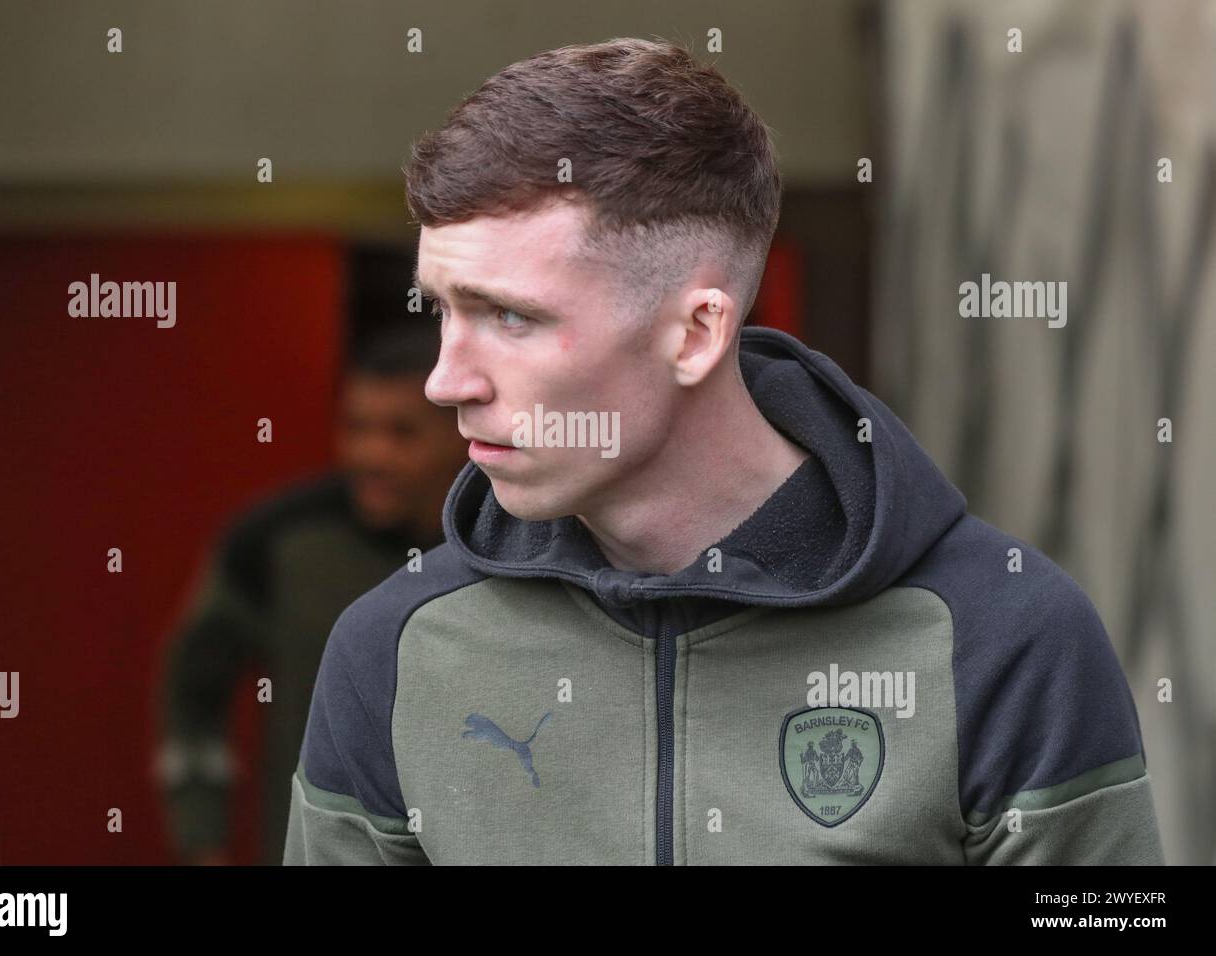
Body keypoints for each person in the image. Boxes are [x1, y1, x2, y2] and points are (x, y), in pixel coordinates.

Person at [283, 38, 1165, 865]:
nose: (447, 380)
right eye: (441, 308)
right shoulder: (395, 649)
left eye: (511, 316)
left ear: (698, 332)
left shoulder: (1005, 637)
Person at [158, 321, 468, 865]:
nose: (371, 454)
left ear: (461, 435)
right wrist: (202, 836)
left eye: (401, 432)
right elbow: (193, 692)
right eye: (357, 427)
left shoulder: (517, 544)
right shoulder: (278, 540)